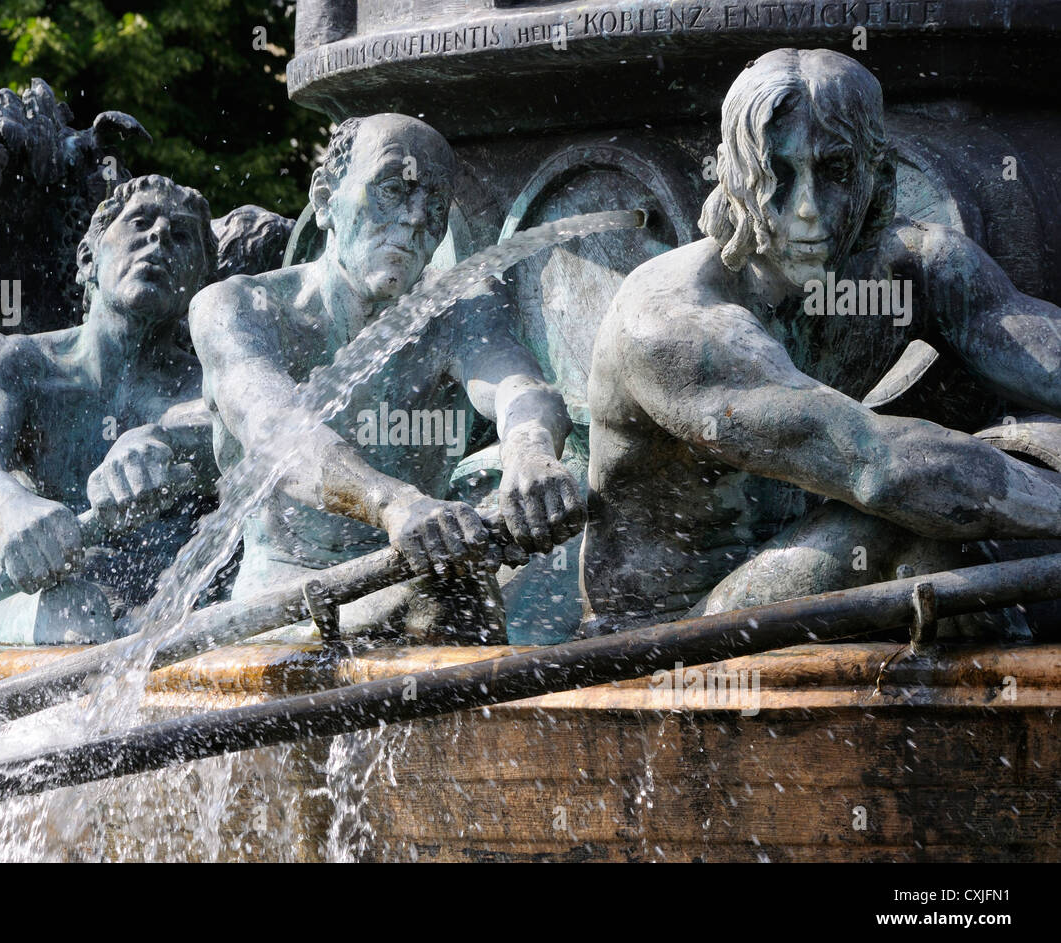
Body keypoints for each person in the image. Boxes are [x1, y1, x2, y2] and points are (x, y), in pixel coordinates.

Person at [583, 48, 1061, 636]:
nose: (807, 211)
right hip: (660, 638)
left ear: (879, 177)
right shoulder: (673, 322)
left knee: (1033, 448)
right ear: (733, 179)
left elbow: (1043, 357)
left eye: (835, 173)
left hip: (811, 578)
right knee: (906, 520)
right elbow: (883, 469)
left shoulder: (920, 267)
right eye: (777, 176)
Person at [189, 113, 584, 641]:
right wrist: (395, 503)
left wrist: (530, 451)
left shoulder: (459, 306)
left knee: (468, 590)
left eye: (437, 205)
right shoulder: (238, 307)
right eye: (393, 189)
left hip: (418, 572)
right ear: (326, 199)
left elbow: (519, 386)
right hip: (287, 595)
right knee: (453, 595)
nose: (417, 217)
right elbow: (276, 431)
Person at [0, 175, 219, 642]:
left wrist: (169, 441)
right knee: (77, 611)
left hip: (176, 605)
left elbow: (257, 434)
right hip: (40, 594)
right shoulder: (14, 362)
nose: (160, 236)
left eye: (181, 235)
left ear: (201, 280)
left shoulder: (214, 381)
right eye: (140, 222)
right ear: (88, 257)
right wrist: (7, 507)